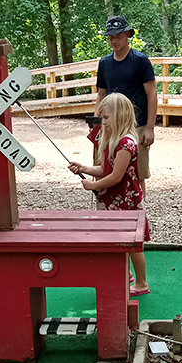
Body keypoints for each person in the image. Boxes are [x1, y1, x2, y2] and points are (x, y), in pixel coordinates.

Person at [69, 92, 150, 296]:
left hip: (126, 202)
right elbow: (105, 170)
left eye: (105, 118)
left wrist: (93, 186)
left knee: (133, 246)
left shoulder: (126, 144)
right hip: (116, 202)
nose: (102, 122)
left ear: (119, 116)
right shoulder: (114, 140)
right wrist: (84, 168)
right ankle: (126, 275)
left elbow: (115, 177)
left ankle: (141, 283)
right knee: (118, 241)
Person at [95, 15, 157, 195]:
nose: (114, 40)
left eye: (118, 36)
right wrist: (97, 124)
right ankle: (109, 211)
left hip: (136, 126)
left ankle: (139, 212)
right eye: (111, 37)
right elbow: (101, 94)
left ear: (127, 35)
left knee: (137, 173)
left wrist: (150, 128)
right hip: (110, 126)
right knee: (106, 167)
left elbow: (151, 94)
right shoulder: (105, 63)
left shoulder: (140, 61)